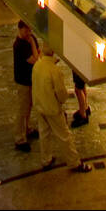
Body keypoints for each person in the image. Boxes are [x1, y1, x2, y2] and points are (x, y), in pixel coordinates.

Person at [31, 45, 91, 173]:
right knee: (64, 136)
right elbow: (62, 94)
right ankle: (74, 163)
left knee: (44, 134)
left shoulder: (37, 66)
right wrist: (61, 102)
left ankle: (46, 160)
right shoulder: (54, 70)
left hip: (39, 106)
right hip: (52, 109)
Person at [12, 21, 40, 151]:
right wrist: (33, 45)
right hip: (22, 81)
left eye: (30, 30)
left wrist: (34, 45)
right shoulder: (19, 45)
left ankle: (26, 129)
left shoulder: (31, 38)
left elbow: (38, 54)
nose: (29, 33)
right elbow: (35, 59)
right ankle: (19, 138)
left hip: (30, 80)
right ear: (20, 29)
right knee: (22, 110)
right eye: (26, 30)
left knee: (28, 107)